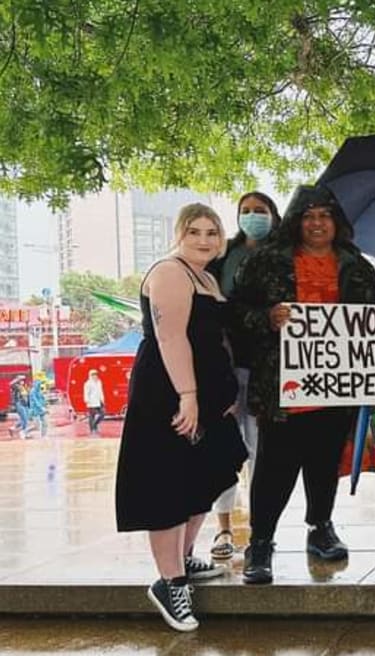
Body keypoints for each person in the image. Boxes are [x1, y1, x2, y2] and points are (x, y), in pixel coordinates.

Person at [231, 184, 375, 585]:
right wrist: (266, 317)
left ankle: (320, 528)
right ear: (296, 221)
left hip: (337, 387)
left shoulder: (357, 265)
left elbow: (373, 322)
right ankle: (260, 543)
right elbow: (235, 312)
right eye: (308, 216)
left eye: (324, 215)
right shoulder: (264, 261)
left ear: (336, 222)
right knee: (273, 469)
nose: (316, 223)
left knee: (324, 464)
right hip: (282, 387)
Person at [115, 203, 248, 632]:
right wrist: (188, 396)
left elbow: (214, 340)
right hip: (168, 392)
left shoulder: (206, 277)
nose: (205, 240)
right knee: (168, 485)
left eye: (212, 232)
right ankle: (170, 582)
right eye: (195, 232)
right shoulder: (170, 271)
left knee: (209, 473)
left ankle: (185, 556)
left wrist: (220, 394)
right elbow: (171, 338)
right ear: (179, 234)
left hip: (206, 393)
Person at [206, 191, 282, 561]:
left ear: (274, 215)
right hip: (226, 367)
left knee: (261, 455)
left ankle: (260, 533)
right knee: (224, 452)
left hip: (270, 371)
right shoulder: (222, 258)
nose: (253, 216)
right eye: (246, 211)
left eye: (260, 211)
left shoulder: (285, 257)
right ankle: (223, 528)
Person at [83, 370, 105, 436]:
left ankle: (94, 425)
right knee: (91, 416)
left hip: (99, 401)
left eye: (96, 374)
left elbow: (101, 391)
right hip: (91, 402)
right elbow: (86, 393)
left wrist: (102, 399)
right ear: (90, 375)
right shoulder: (88, 383)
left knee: (102, 414)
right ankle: (92, 429)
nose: (95, 376)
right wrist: (87, 400)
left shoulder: (99, 382)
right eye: (93, 375)